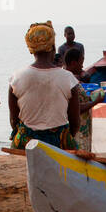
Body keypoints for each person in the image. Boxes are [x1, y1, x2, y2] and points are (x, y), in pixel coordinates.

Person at [9, 21, 80, 149]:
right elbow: (75, 123)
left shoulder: (16, 78)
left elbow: (14, 121)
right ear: (53, 46)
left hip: (26, 143)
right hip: (59, 142)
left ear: (31, 50)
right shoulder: (68, 78)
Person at [63, 45, 106, 153]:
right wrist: (95, 102)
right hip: (78, 133)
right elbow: (75, 108)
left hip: (83, 130)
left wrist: (90, 97)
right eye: (81, 62)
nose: (82, 66)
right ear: (73, 63)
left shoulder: (71, 79)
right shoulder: (68, 80)